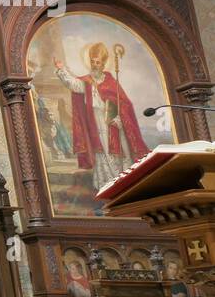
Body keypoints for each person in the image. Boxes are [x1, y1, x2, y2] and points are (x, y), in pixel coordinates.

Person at [54, 42, 149, 190]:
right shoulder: (86, 81)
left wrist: (119, 117)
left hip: (114, 123)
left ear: (103, 63)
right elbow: (73, 84)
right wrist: (61, 70)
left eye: (98, 62)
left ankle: (125, 185)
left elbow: (124, 104)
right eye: (92, 61)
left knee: (121, 153)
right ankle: (108, 187)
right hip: (96, 123)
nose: (94, 65)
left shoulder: (111, 81)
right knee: (102, 154)